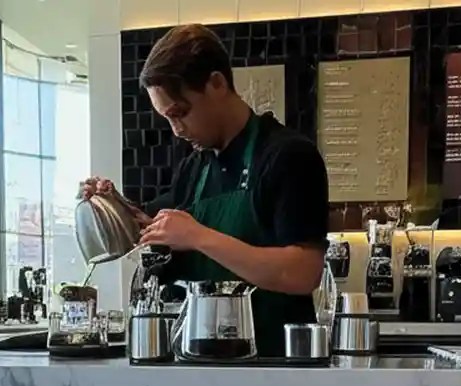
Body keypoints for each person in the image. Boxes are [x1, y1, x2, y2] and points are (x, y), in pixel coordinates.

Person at [81, 24, 329, 358]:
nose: (176, 129)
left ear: (217, 83)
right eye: (167, 118)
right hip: (201, 366)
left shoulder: (288, 157)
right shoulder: (195, 168)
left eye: (180, 113)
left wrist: (199, 236)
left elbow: (303, 272)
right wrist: (110, 202)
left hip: (275, 370)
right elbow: (148, 223)